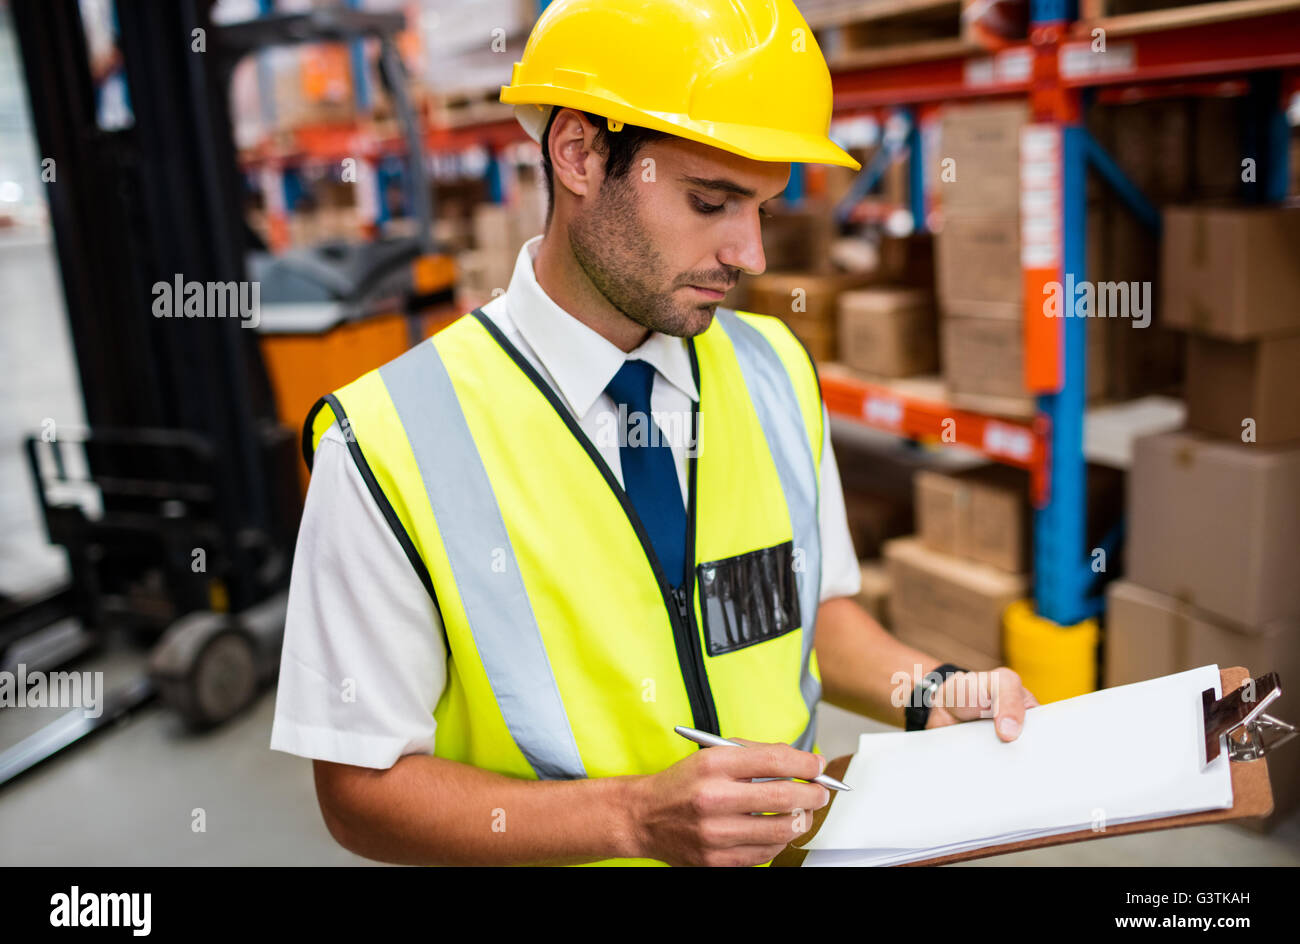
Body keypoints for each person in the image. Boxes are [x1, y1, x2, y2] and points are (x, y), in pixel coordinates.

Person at [270, 0, 1038, 867]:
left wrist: (927, 689)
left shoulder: (773, 369)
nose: (749, 254)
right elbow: (360, 793)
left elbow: (805, 610)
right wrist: (632, 821)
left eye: (764, 209)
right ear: (580, 154)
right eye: (710, 201)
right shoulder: (386, 440)